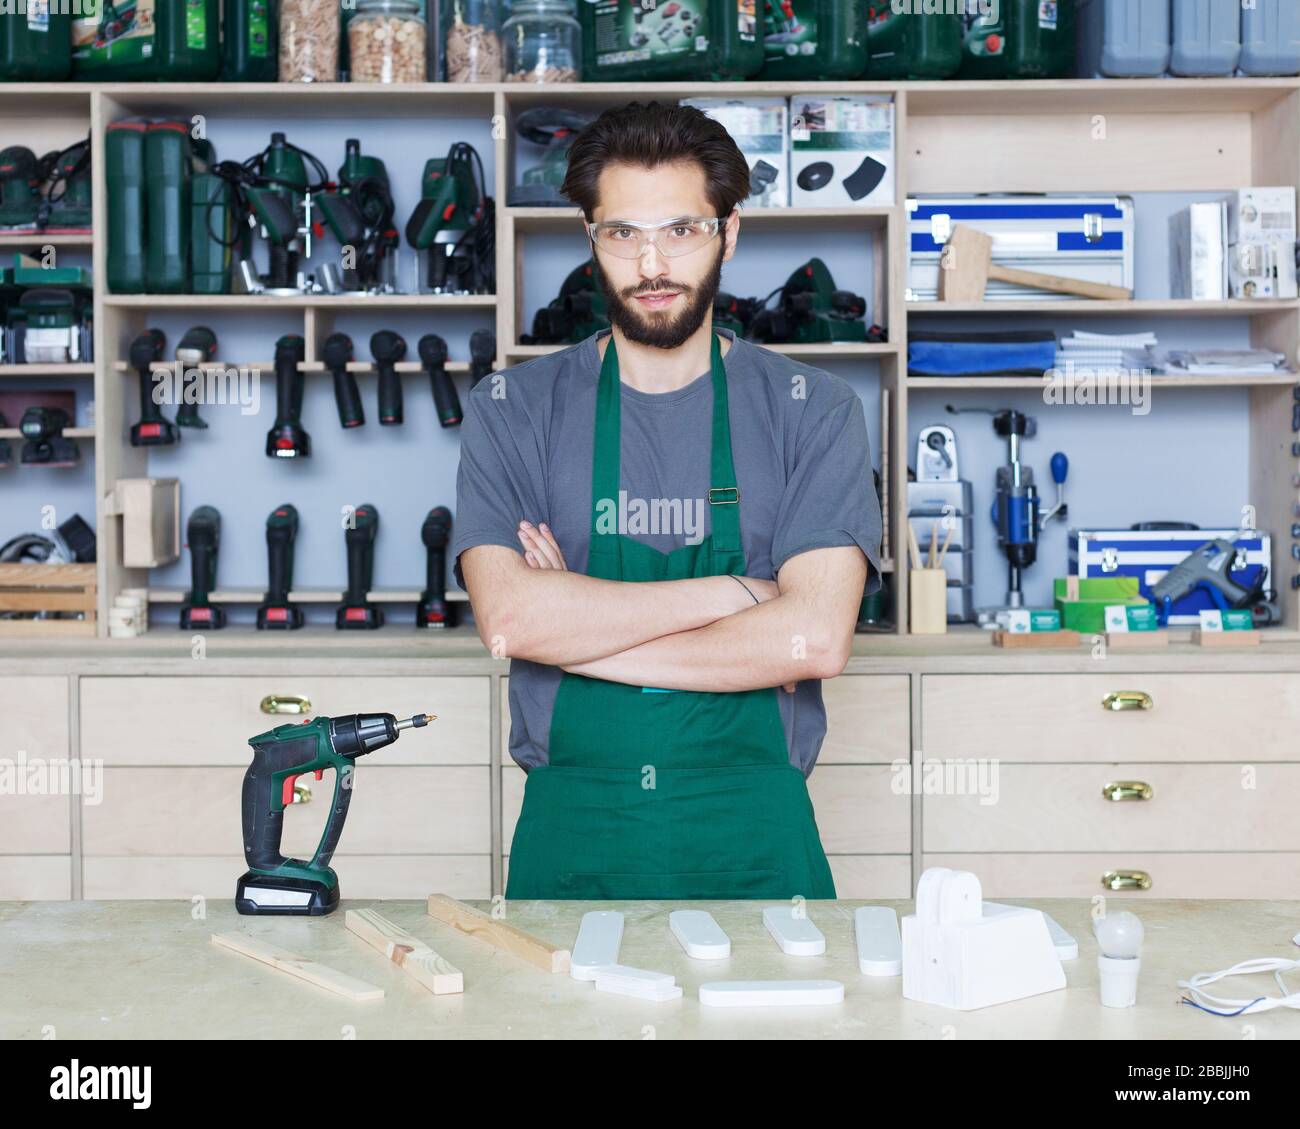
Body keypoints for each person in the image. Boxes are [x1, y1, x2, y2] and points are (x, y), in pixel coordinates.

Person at [451, 100, 883, 900]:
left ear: (729, 232)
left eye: (682, 230)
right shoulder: (512, 408)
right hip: (572, 832)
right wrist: (736, 596)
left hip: (759, 834)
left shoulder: (812, 409)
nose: (652, 264)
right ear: (591, 238)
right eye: (623, 233)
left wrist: (572, 630)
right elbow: (511, 622)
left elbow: (813, 642)